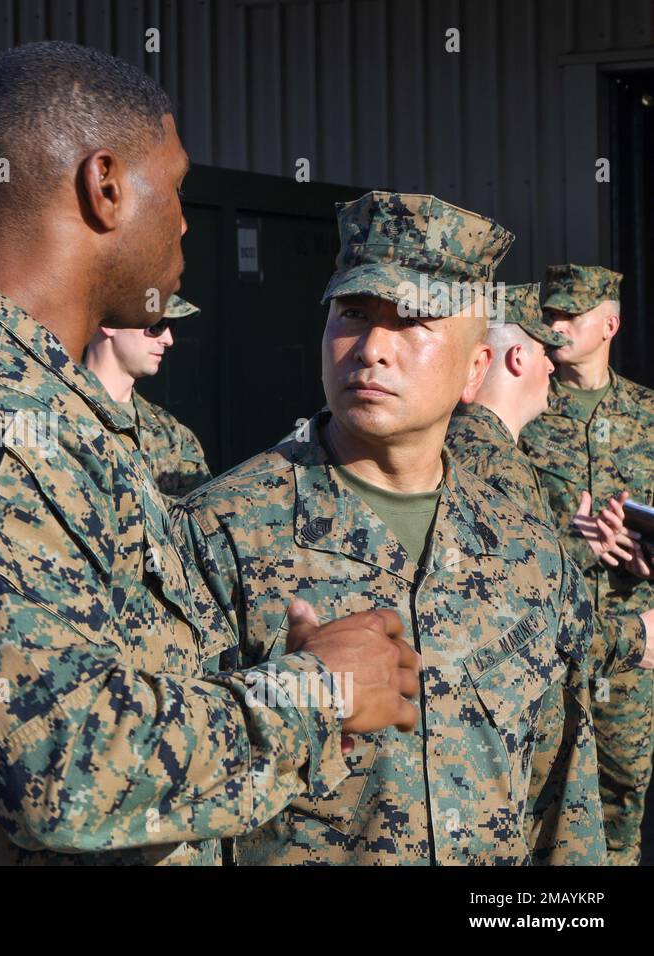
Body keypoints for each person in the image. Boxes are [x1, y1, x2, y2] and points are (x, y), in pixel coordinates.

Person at [0, 42, 420, 865]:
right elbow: (60, 771)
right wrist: (316, 694)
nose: (188, 222)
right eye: (180, 189)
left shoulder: (40, 404)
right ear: (106, 186)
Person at [176, 191, 605, 864]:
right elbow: (178, 808)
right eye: (352, 314)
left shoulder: (528, 556)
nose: (371, 348)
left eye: (412, 321)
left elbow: (562, 809)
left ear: (474, 370)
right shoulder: (221, 533)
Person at [445, 283, 654, 679]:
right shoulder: (501, 467)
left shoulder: (452, 445)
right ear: (519, 357)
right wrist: (638, 637)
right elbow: (534, 617)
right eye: (544, 351)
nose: (552, 366)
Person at [519, 264, 654, 865]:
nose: (557, 324)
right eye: (550, 313)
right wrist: (571, 543)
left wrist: (646, 552)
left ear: (611, 324)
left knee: (620, 798)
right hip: (545, 645)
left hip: (629, 646)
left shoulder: (648, 414)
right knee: (536, 803)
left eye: (573, 313)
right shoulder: (522, 412)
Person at [84, 294, 211, 496]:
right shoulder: (54, 416)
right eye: (156, 324)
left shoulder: (173, 435)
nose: (168, 339)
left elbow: (197, 521)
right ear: (111, 323)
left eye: (171, 326)